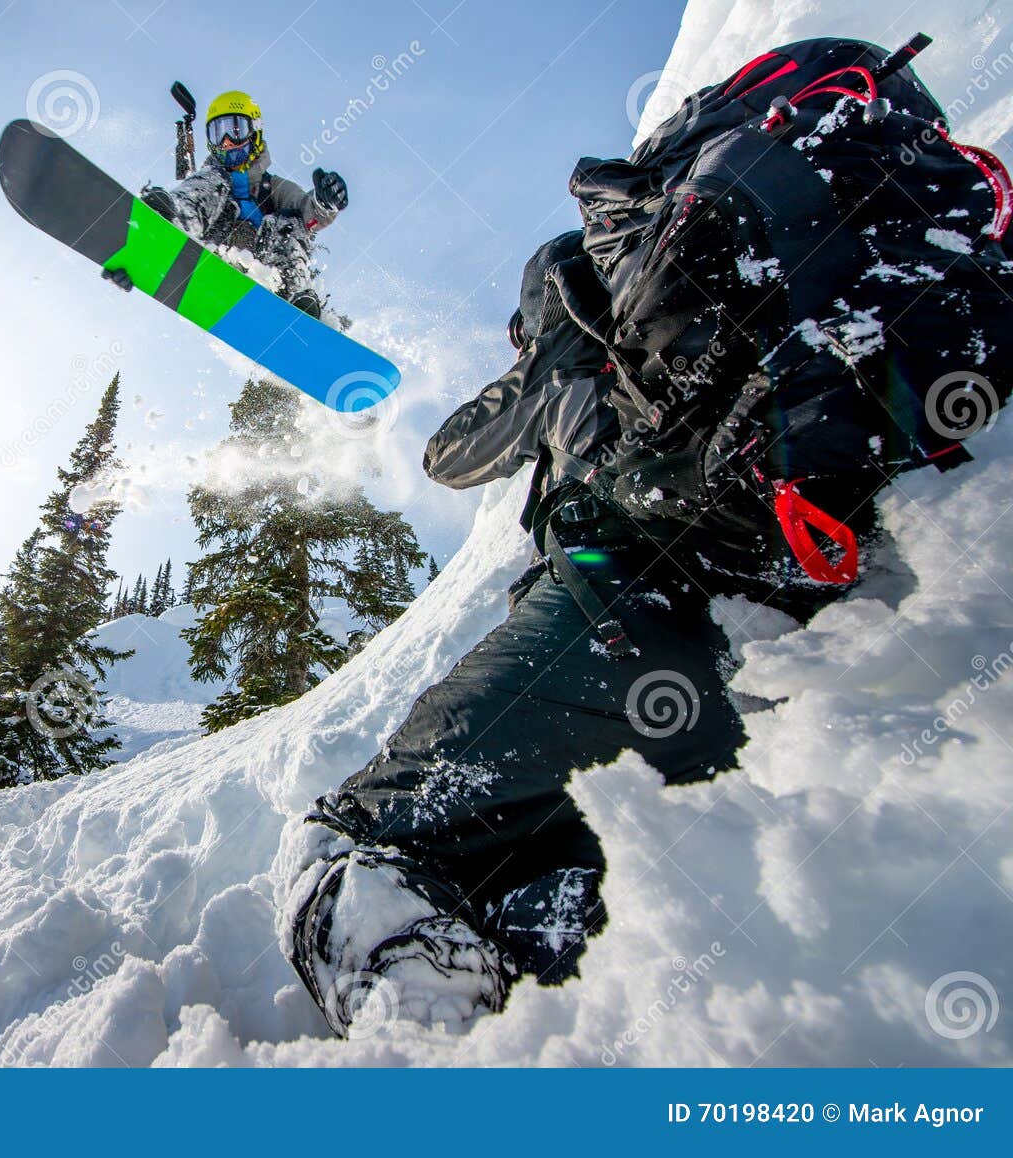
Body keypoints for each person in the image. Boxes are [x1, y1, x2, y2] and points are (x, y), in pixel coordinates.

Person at [282, 231, 801, 1036]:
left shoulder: (569, 344)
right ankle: (529, 1017)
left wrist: (507, 375)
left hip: (616, 623)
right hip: (746, 679)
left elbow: (447, 456)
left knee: (344, 857)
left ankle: (421, 1064)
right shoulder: (740, 321)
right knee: (536, 884)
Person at [118, 90, 348, 318]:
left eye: (235, 130)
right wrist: (133, 261)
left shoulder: (274, 187)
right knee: (215, 179)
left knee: (289, 220)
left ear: (254, 132)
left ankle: (294, 299)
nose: (227, 142)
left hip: (269, 276)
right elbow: (200, 188)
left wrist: (325, 202)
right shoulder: (212, 181)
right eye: (218, 133)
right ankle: (173, 225)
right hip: (214, 260)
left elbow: (308, 215)